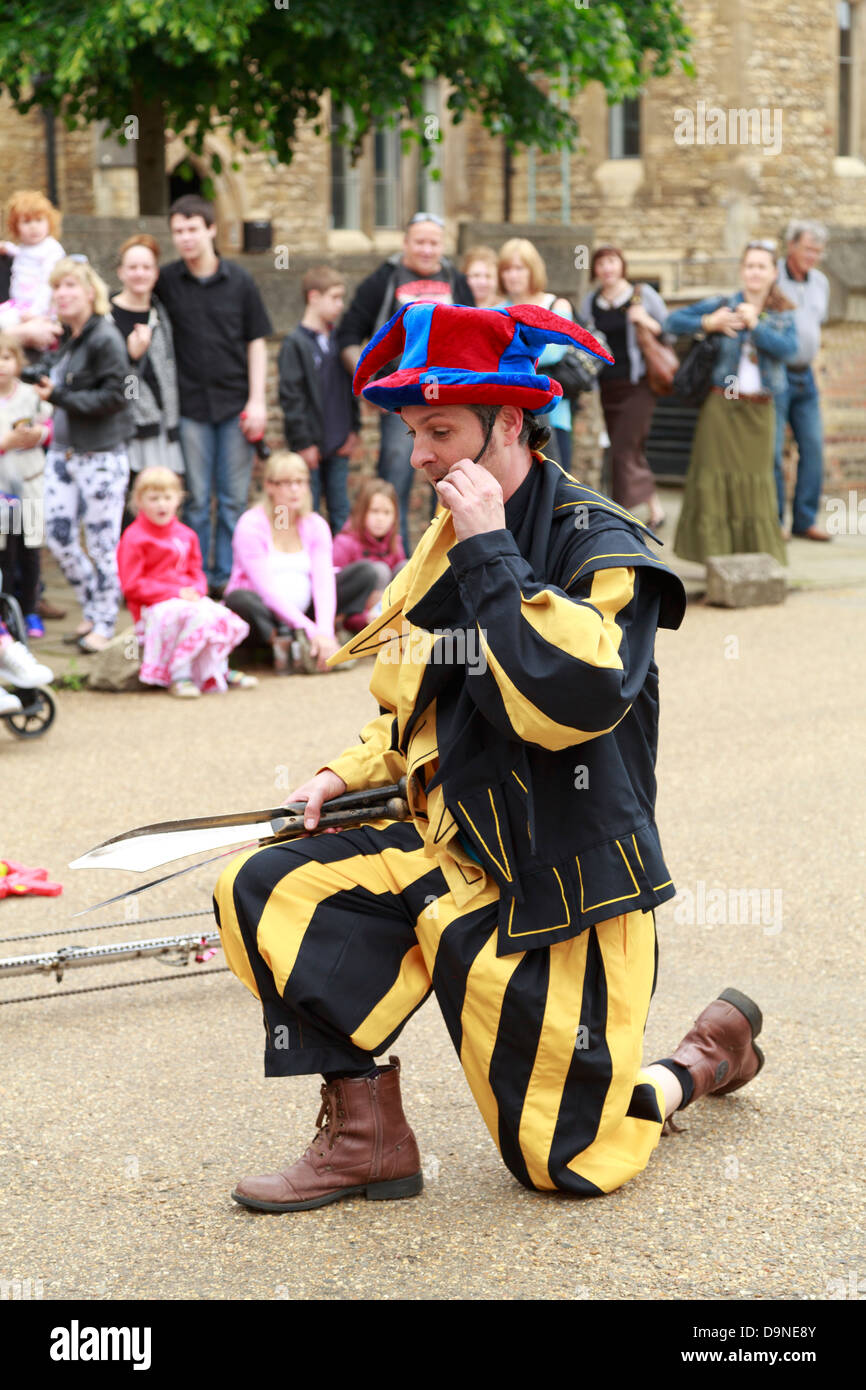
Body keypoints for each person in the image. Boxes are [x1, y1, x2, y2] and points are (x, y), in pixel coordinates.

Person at [213, 300, 765, 1214]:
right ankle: (368, 1139)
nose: (419, 453)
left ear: (508, 422)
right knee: (267, 886)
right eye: (412, 430)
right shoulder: (439, 541)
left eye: (439, 431)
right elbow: (408, 705)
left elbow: (571, 704)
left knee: (570, 1165)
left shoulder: (603, 545)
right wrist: (338, 776)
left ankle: (694, 1063)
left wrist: (493, 555)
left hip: (562, 884)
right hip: (453, 849)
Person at [335, 213, 475, 555]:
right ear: (405, 244)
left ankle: (444, 556)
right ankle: (396, 560)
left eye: (434, 243)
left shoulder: (458, 281)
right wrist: (366, 380)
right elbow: (349, 335)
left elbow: (474, 336)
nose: (427, 250)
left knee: (451, 479)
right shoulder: (382, 280)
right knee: (396, 476)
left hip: (450, 398)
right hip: (400, 400)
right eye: (420, 242)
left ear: (443, 246)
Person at [155, 195, 272, 593]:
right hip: (189, 408)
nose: (185, 238)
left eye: (192, 229)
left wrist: (258, 401)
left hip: (235, 405)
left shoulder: (239, 281)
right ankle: (197, 579)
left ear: (210, 229)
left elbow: (256, 342)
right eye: (178, 231)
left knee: (233, 501)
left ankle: (230, 578)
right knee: (197, 502)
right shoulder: (166, 281)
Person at [664, 240, 797, 566]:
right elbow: (672, 321)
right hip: (721, 405)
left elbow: (789, 350)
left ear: (773, 272)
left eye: (761, 266)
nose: (754, 272)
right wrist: (708, 323)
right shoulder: (724, 303)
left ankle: (756, 557)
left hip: (761, 408)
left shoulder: (782, 313)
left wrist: (756, 325)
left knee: (758, 478)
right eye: (749, 265)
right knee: (714, 476)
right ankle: (716, 558)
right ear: (742, 270)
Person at [36, 257, 133, 653]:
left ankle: (105, 621)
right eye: (57, 287)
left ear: (91, 293)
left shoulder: (105, 338)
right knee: (57, 536)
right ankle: (92, 606)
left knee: (101, 543)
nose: (62, 294)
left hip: (100, 455)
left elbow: (117, 395)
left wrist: (59, 396)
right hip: (63, 453)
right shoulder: (69, 339)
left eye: (70, 286)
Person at [223, 451, 374, 674]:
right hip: (266, 613)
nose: (295, 489)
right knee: (239, 600)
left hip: (307, 610)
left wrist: (324, 630)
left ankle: (310, 641)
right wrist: (311, 630)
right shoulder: (251, 524)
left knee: (367, 572)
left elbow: (323, 582)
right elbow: (267, 592)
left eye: (300, 482)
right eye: (286, 483)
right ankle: (284, 639)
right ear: (269, 486)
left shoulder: (315, 524)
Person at [117, 467, 255, 698]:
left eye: (167, 497)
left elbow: (196, 573)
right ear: (139, 501)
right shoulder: (133, 537)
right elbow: (132, 586)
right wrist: (175, 592)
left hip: (186, 600)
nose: (162, 504)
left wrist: (197, 591)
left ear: (178, 499)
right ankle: (179, 675)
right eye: (154, 498)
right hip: (151, 607)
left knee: (219, 614)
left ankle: (217, 669)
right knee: (195, 616)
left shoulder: (186, 534)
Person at [580, 247, 668, 528]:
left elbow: (670, 329)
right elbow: (583, 338)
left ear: (622, 266)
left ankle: (621, 515)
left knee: (622, 448)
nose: (607, 268)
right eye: (601, 264)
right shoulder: (590, 302)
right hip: (607, 386)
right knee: (630, 449)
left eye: (612, 262)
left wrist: (645, 320)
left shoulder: (642, 294)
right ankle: (656, 509)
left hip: (638, 384)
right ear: (595, 270)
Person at [277, 266, 359, 535]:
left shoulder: (340, 340)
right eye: (334, 297)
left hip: (339, 442)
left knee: (340, 511)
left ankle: (343, 571)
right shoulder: (295, 343)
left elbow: (353, 384)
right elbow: (291, 397)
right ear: (313, 297)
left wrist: (354, 430)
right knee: (307, 511)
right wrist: (303, 442)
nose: (340, 304)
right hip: (310, 447)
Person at [774, 221, 831, 541]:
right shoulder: (774, 276)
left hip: (806, 375)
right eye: (809, 249)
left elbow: (815, 324)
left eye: (818, 251)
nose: (814, 256)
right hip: (777, 372)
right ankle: (775, 521)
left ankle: (805, 520)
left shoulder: (821, 282)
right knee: (774, 451)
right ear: (791, 246)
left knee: (813, 446)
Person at [498, 237, 575, 470]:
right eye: (507, 269)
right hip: (508, 417)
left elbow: (552, 352)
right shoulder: (498, 310)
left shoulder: (557, 306)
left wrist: (511, 350)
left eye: (519, 268)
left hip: (553, 414)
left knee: (555, 485)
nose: (512, 275)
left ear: (533, 271)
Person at [110, 234, 183, 477]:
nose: (139, 273)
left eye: (146, 267)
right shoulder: (106, 316)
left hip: (163, 428)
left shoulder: (161, 314)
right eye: (132, 267)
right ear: (120, 272)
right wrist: (130, 358)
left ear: (155, 273)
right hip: (125, 430)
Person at [0, 333, 52, 637]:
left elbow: (49, 425)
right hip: (1, 490)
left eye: (7, 358)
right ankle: (6, 613)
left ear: (18, 361)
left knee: (31, 549)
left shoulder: (31, 395)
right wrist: (5, 442)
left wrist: (39, 436)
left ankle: (31, 610)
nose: (2, 366)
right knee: (4, 554)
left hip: (30, 483)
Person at [331, 478, 406, 632]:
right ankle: (377, 624)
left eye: (387, 513)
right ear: (362, 511)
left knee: (406, 567)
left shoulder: (395, 542)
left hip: (388, 612)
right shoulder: (344, 542)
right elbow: (336, 592)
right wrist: (365, 617)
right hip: (355, 618)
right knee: (380, 570)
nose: (380, 518)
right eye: (374, 511)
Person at [0, 190, 65, 330]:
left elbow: (48, 282)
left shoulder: (51, 249)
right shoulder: (24, 248)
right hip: (19, 305)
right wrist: (6, 247)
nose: (34, 227)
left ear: (49, 222)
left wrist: (35, 311)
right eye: (26, 222)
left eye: (39, 220)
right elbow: (21, 254)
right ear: (15, 227)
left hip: (41, 310)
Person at [461, 246, 503, 310]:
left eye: (488, 276)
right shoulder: (455, 306)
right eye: (476, 275)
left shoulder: (508, 311)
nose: (482, 282)